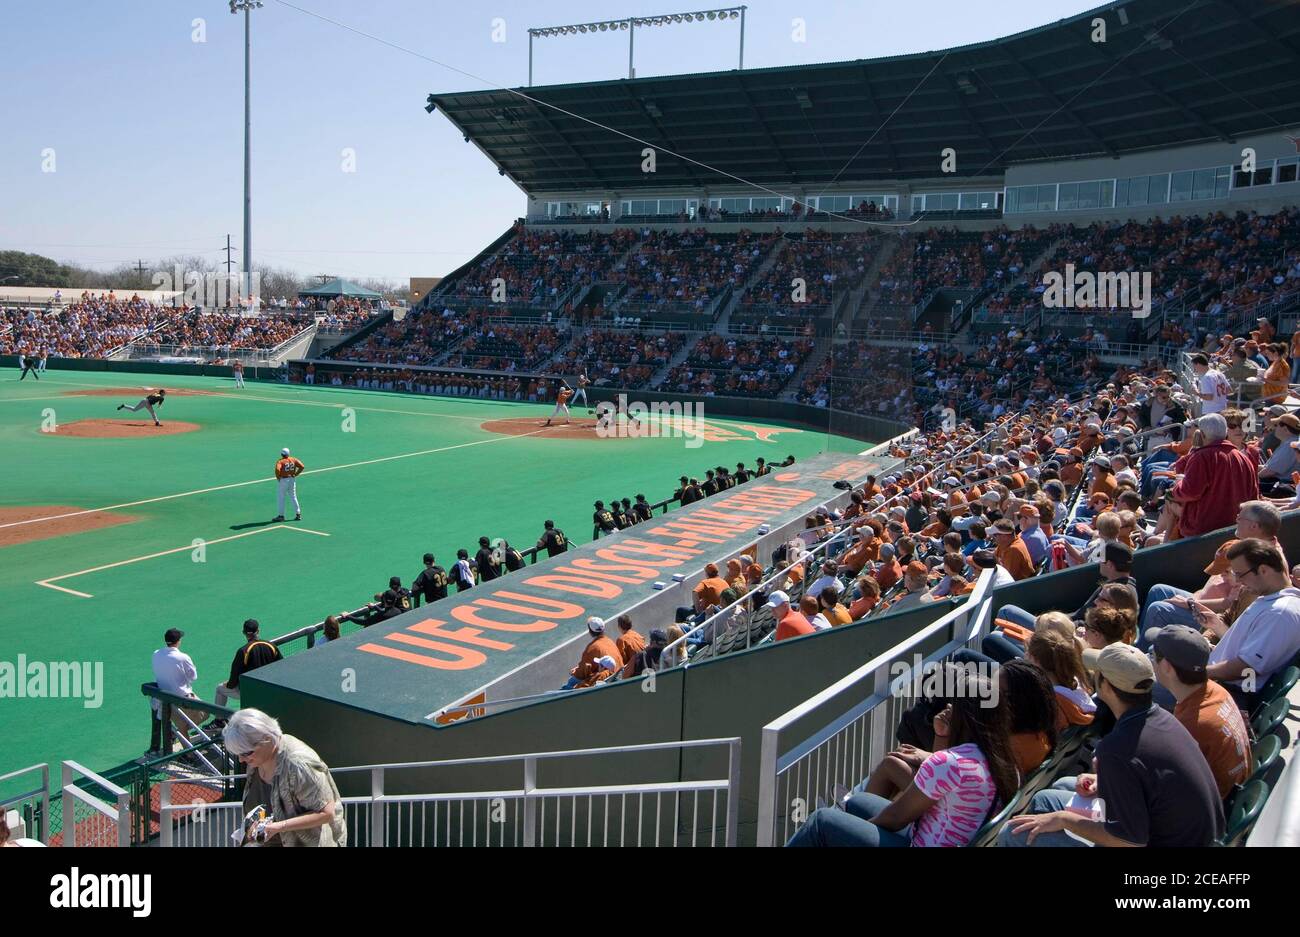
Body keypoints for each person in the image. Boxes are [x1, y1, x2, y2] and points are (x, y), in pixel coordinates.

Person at [1001, 643, 1224, 847]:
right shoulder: (1163, 718)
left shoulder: (1118, 748)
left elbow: (1128, 841)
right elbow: (1149, 779)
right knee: (1048, 797)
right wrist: (1104, 780)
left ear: (1105, 685)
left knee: (1012, 832)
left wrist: (1064, 820)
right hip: (1179, 834)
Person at [788, 671, 1018, 847]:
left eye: (954, 704)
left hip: (920, 842)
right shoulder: (1005, 763)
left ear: (967, 717)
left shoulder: (952, 763)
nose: (948, 706)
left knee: (821, 821)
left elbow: (897, 818)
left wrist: (850, 834)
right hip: (941, 836)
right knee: (858, 802)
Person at [1198, 539, 1300, 709]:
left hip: (1226, 691)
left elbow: (1246, 669)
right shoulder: (1270, 600)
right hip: (1219, 680)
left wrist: (1196, 673)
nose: (1237, 579)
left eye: (1240, 574)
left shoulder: (1280, 612)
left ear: (1263, 570)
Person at [1151, 625, 1251, 799]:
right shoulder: (1216, 690)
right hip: (1234, 792)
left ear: (1167, 667)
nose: (1150, 659)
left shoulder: (1191, 725)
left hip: (1215, 808)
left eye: (1153, 655)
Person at [223, 708, 346, 846]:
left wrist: (279, 826)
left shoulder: (299, 765)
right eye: (237, 754)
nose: (240, 760)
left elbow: (327, 813)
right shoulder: (256, 759)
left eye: (245, 753)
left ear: (267, 739)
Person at [1168, 414, 1259, 536]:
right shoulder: (1242, 457)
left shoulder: (1202, 456)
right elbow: (1253, 494)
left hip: (1203, 530)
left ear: (1202, 434)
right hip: (1234, 527)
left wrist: (1177, 486)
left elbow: (1190, 492)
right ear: (1226, 431)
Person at [149, 627, 207, 755]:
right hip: (183, 698)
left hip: (165, 700)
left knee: (182, 726)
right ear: (178, 641)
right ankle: (185, 741)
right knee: (206, 713)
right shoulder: (183, 657)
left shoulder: (156, 653)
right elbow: (193, 677)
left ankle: (184, 745)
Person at [215, 619, 282, 708]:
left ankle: (219, 720)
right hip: (271, 689)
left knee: (220, 689)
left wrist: (228, 684)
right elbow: (282, 665)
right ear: (258, 631)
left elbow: (235, 674)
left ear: (244, 632)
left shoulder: (243, 651)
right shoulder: (271, 646)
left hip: (250, 693)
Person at [564, 617, 623, 689]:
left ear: (590, 631)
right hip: (615, 675)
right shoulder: (610, 642)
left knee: (570, 683)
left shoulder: (592, 647)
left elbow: (582, 672)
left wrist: (576, 672)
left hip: (604, 679)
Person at [272, 447, 304, 522]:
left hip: (284, 480)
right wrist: (296, 474)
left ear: (281, 454)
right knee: (293, 496)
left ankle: (281, 516)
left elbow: (277, 469)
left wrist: (278, 478)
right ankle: (298, 514)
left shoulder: (280, 461)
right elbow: (302, 466)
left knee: (281, 498)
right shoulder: (293, 459)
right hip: (292, 480)